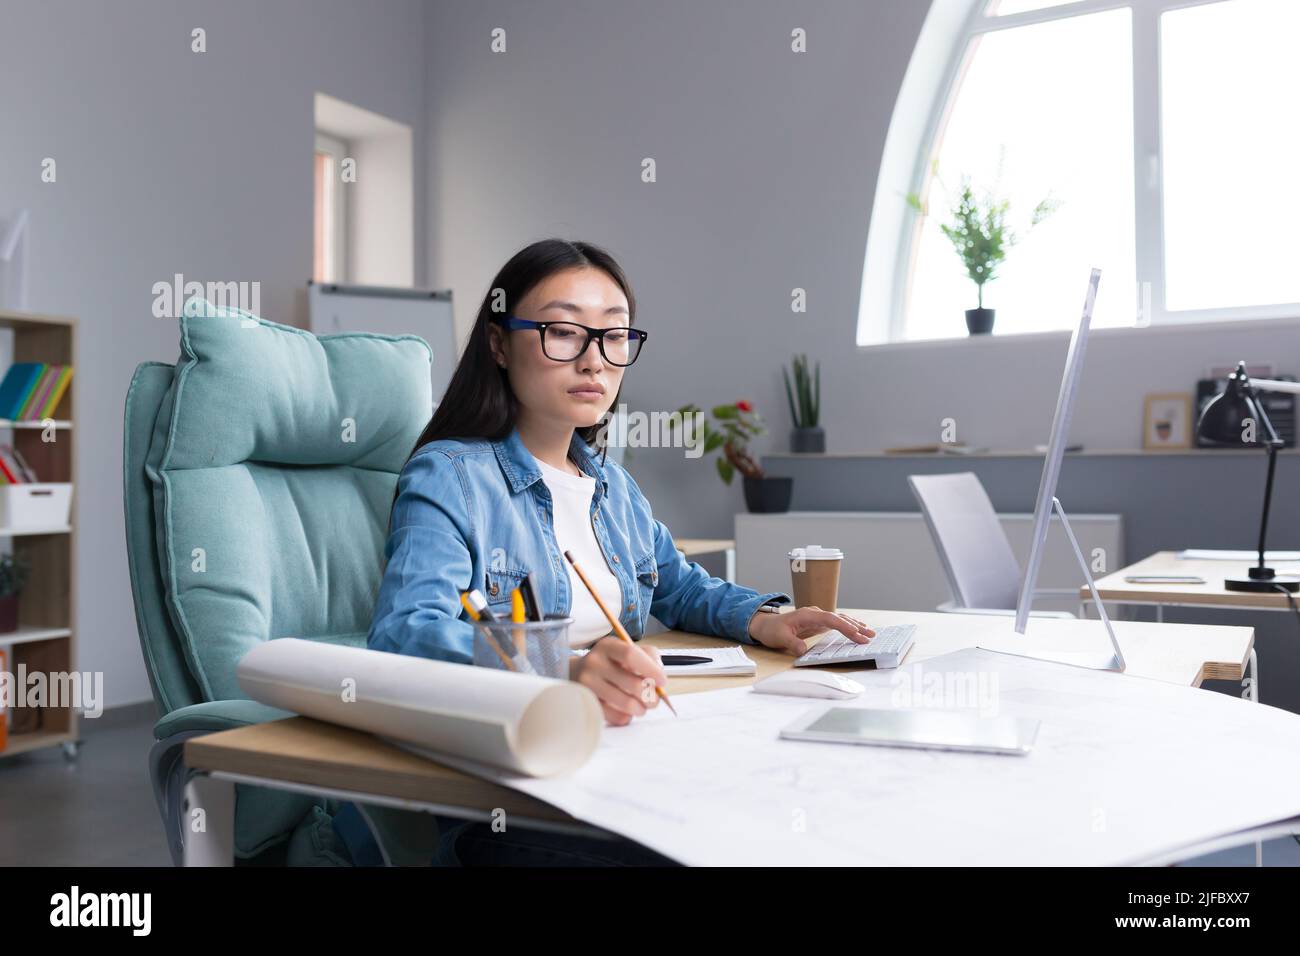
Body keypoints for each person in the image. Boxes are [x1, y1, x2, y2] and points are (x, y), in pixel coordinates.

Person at [344, 238, 873, 866]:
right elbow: (405, 635)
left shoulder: (609, 482)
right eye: (563, 332)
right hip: (513, 794)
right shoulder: (451, 475)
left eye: (614, 336)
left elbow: (679, 587)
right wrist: (562, 667)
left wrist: (766, 618)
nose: (595, 362)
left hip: (620, 757)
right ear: (498, 343)